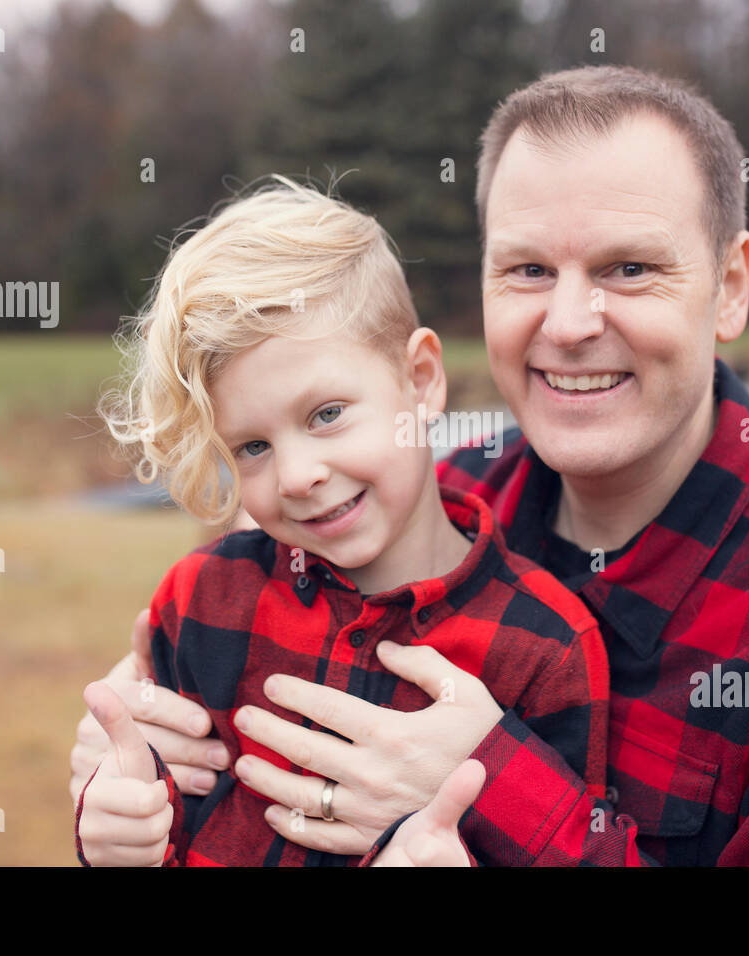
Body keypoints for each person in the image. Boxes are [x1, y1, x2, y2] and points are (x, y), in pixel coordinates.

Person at [71, 65, 749, 866]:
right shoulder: (439, 495)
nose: (572, 322)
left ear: (731, 285)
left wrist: (498, 785)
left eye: (629, 268)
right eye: (528, 271)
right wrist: (130, 750)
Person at [74, 178, 609, 866]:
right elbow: (155, 797)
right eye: (253, 447)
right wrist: (114, 830)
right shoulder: (205, 597)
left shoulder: (546, 648)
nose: (297, 475)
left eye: (326, 414)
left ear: (420, 380)